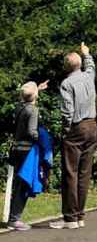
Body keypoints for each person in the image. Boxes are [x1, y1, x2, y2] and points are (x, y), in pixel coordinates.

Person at [50, 43, 96, 230]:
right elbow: (91, 65)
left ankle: (70, 218)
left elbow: (67, 111)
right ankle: (80, 215)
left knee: (71, 173)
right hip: (92, 125)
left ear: (66, 67)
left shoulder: (66, 84)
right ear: (80, 64)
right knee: (84, 173)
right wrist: (86, 53)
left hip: (77, 127)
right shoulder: (89, 76)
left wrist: (66, 130)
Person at [7, 79, 48, 231]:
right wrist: (42, 139)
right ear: (35, 96)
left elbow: (28, 97)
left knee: (18, 184)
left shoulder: (19, 107)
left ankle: (13, 217)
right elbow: (32, 131)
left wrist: (37, 89)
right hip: (27, 152)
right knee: (23, 185)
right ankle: (15, 219)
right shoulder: (33, 110)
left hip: (16, 149)